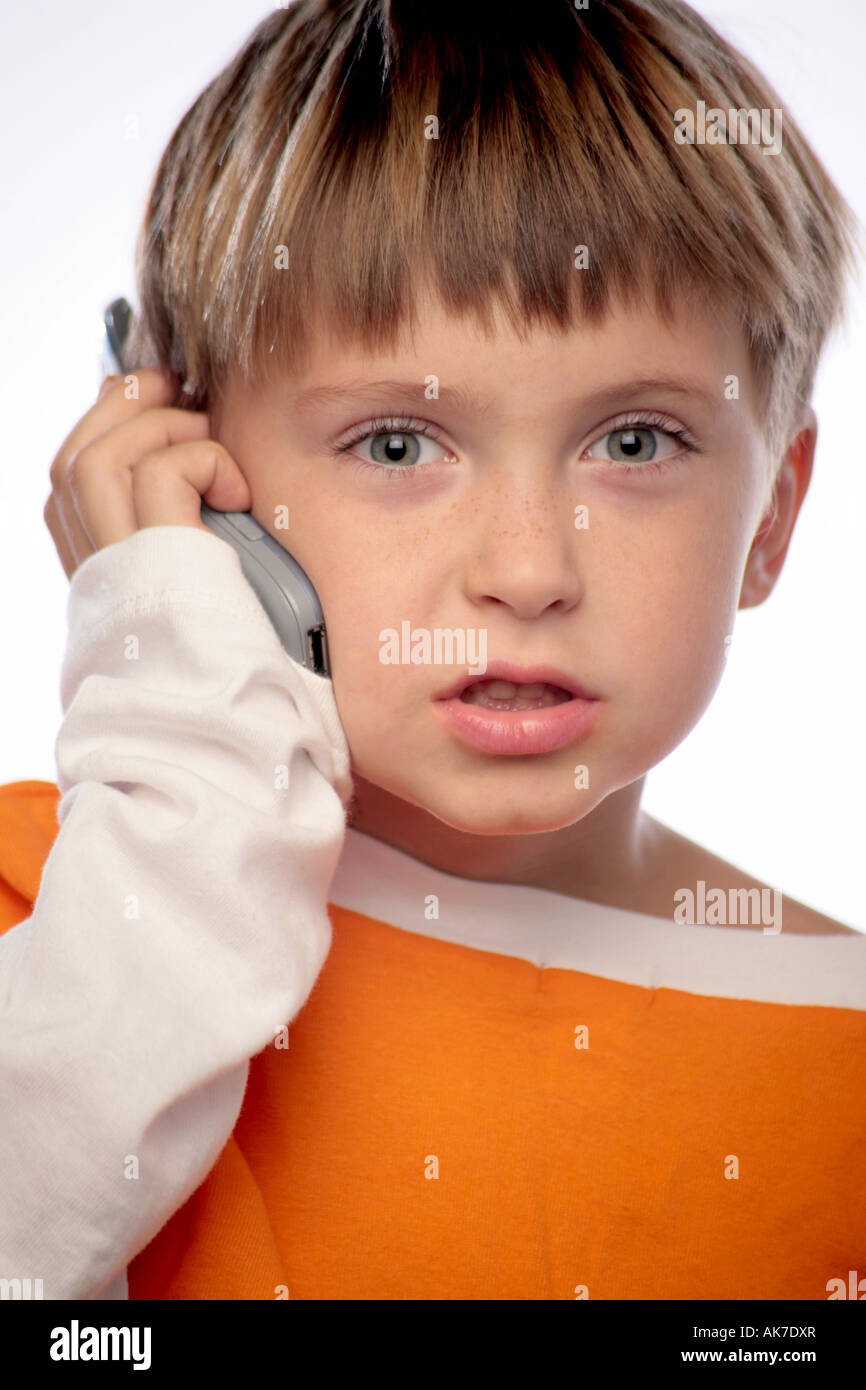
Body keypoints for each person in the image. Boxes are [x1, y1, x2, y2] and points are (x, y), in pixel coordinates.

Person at [1, 0, 864, 1302]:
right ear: (196, 474)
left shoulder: (840, 1041)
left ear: (773, 516)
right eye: (398, 445)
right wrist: (179, 701)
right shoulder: (53, 906)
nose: (525, 569)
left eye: (633, 442)